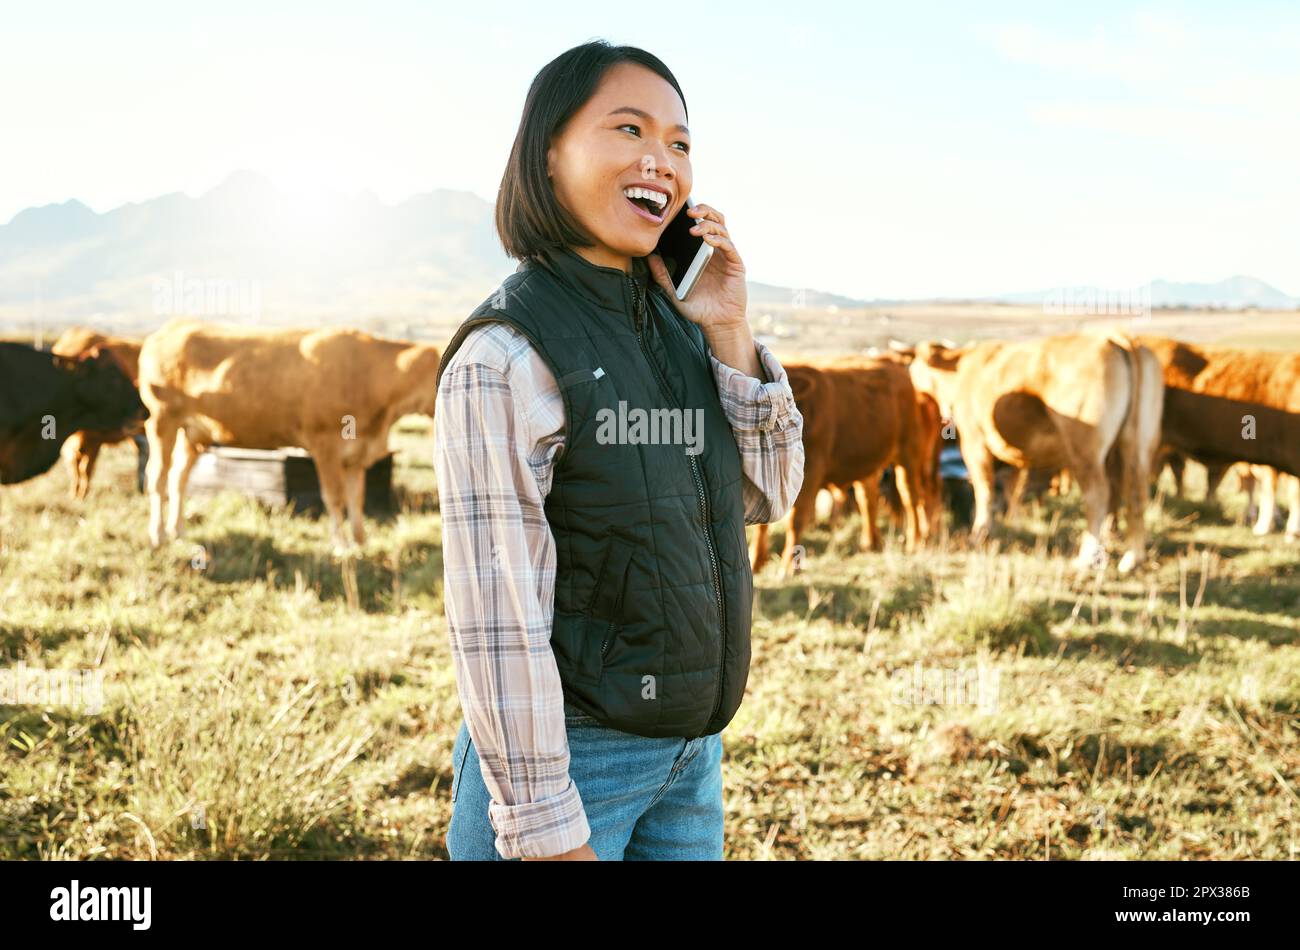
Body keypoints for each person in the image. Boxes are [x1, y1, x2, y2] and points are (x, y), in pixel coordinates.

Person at [434, 39, 804, 861]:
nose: (661, 160)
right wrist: (546, 833)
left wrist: (731, 328)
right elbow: (497, 621)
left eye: (679, 142)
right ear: (548, 153)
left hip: (691, 761)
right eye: (628, 129)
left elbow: (767, 495)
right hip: (572, 773)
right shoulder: (506, 357)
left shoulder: (684, 320)